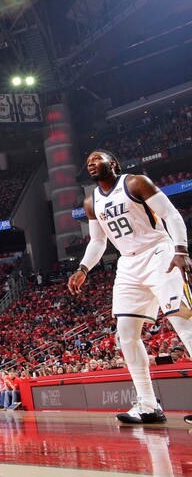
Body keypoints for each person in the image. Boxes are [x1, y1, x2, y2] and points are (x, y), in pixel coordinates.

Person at [68, 150, 192, 425]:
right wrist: (83, 268)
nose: (90, 162)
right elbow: (98, 242)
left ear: (112, 163)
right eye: (87, 160)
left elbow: (171, 215)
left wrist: (181, 249)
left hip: (159, 253)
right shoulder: (91, 202)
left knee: (184, 324)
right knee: (126, 335)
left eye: (96, 159)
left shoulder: (136, 183)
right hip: (128, 265)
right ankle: (148, 405)